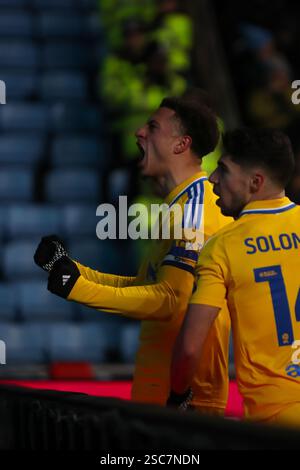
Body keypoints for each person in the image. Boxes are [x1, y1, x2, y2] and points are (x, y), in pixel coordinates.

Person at [34, 92, 231, 414]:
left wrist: (78, 287)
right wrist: (72, 270)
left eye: (152, 127)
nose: (139, 132)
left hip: (185, 402)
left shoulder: (196, 209)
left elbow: (171, 301)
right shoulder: (179, 206)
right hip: (162, 395)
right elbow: (145, 287)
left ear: (181, 145)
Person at [169, 127, 300, 426]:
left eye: (223, 170)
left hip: (276, 421)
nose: (212, 178)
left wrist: (177, 396)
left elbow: (190, 348)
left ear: (255, 182)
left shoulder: (222, 246)